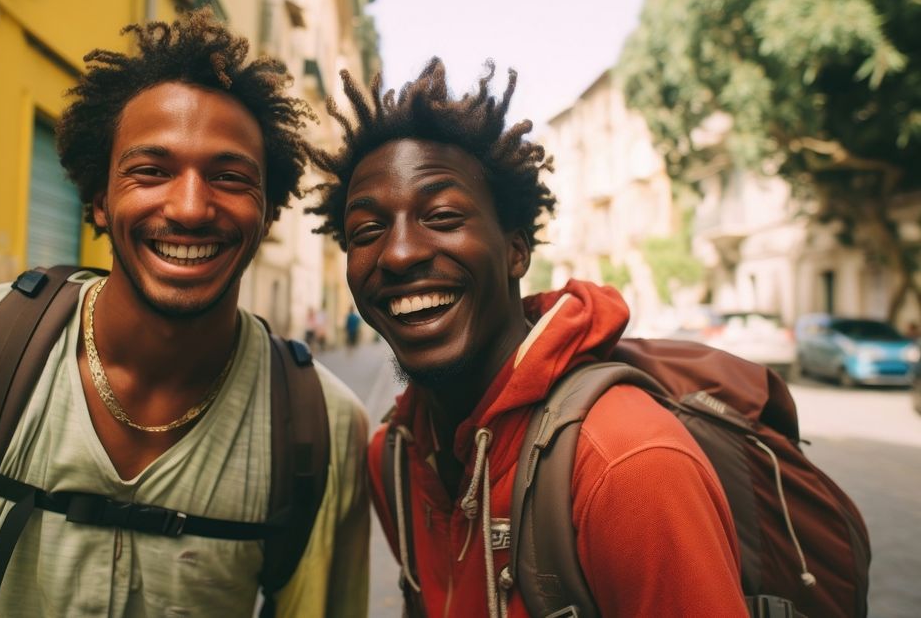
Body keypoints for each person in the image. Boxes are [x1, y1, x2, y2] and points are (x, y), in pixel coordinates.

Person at [0, 9, 369, 617]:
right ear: (101, 199)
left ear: (267, 213)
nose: (189, 207)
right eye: (152, 171)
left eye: (229, 176)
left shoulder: (321, 428)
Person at [307, 58, 748, 616]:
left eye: (441, 216)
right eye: (367, 231)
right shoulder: (393, 458)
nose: (398, 253)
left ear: (516, 250)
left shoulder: (628, 464)